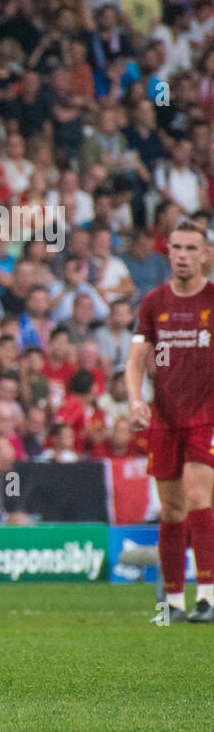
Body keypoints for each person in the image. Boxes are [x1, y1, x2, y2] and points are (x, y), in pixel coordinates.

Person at [126, 220, 214, 623]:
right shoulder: (153, 302)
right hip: (163, 419)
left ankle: (208, 597)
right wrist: (133, 398)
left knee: (198, 496)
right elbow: (136, 357)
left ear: (205, 254)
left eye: (190, 248)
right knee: (171, 508)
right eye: (176, 248)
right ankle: (174, 603)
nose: (182, 255)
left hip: (205, 417)